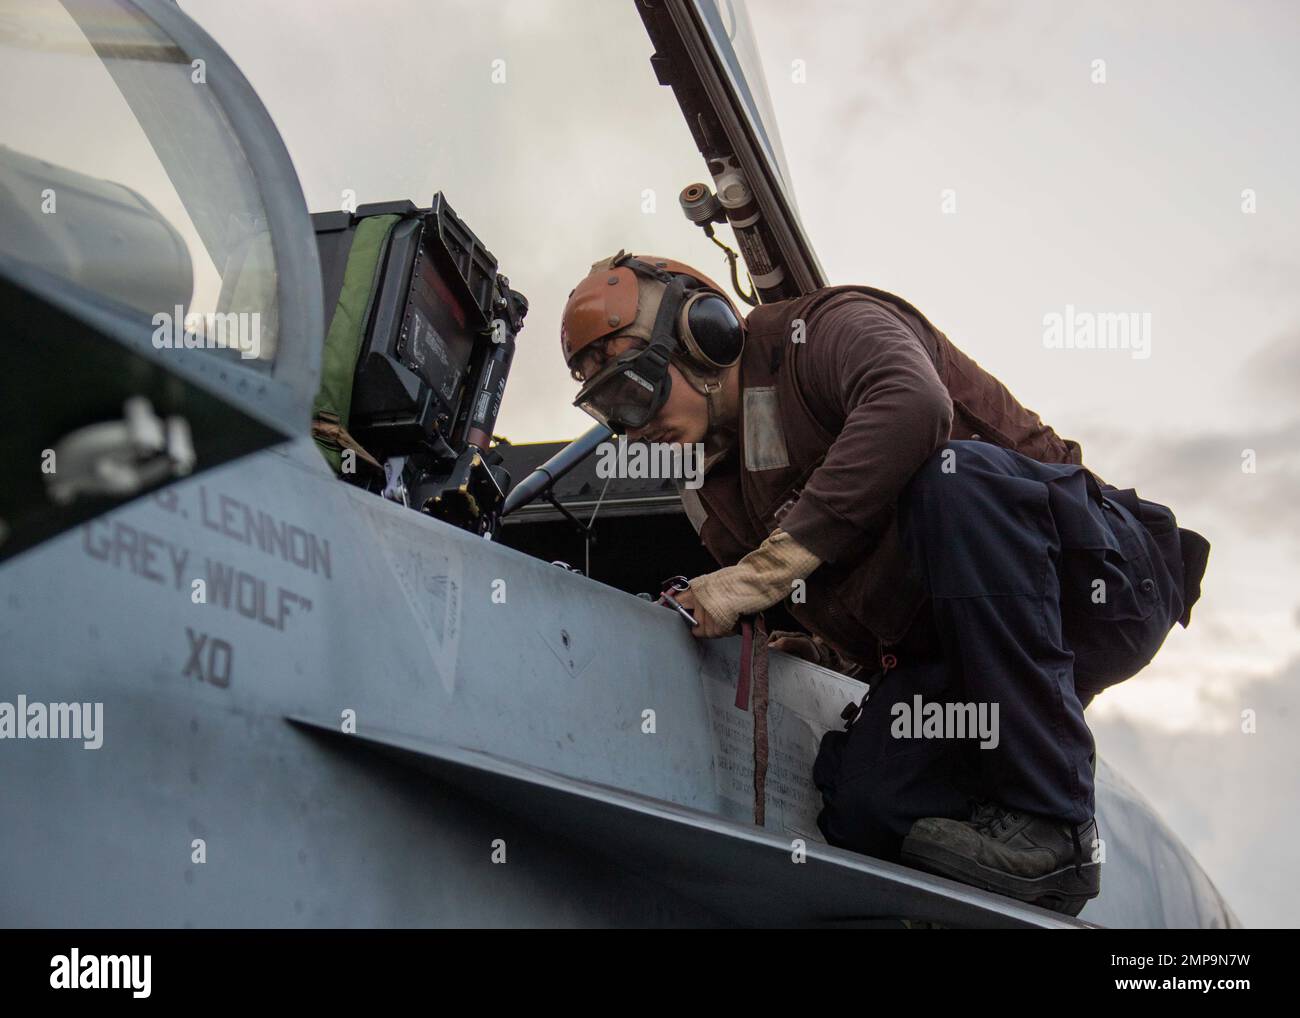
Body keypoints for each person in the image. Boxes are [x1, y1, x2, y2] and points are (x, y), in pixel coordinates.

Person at [560, 251, 1209, 916]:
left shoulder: (827, 331)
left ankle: (1057, 826)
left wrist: (757, 577)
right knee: (865, 805)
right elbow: (843, 589)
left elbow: (913, 403)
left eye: (637, 387)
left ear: (706, 331)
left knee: (954, 482)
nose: (636, 423)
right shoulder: (708, 494)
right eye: (613, 409)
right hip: (967, 650)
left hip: (1104, 579)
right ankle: (1006, 874)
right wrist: (818, 649)